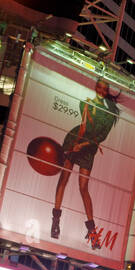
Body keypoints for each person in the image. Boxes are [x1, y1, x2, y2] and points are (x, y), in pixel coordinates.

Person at [51, 77, 120, 250]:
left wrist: (82, 145)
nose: (101, 90)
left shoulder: (109, 113)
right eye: (99, 87)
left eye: (104, 88)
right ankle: (55, 222)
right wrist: (75, 144)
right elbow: (83, 127)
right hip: (75, 140)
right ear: (96, 87)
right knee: (64, 179)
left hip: (88, 148)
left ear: (107, 91)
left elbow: (101, 136)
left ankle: (92, 231)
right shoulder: (85, 103)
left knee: (83, 188)